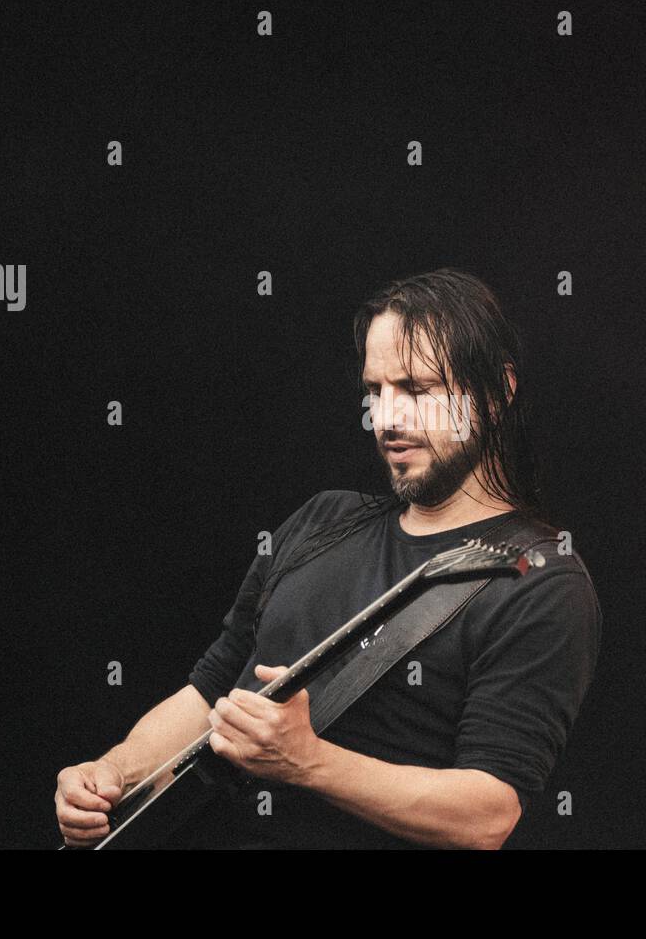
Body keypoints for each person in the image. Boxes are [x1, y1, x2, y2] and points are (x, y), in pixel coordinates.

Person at [54, 268, 602, 849]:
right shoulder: (322, 520)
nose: (387, 418)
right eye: (375, 390)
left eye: (417, 389)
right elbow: (206, 695)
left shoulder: (539, 581)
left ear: (496, 393)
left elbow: (487, 815)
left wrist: (307, 761)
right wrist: (112, 771)